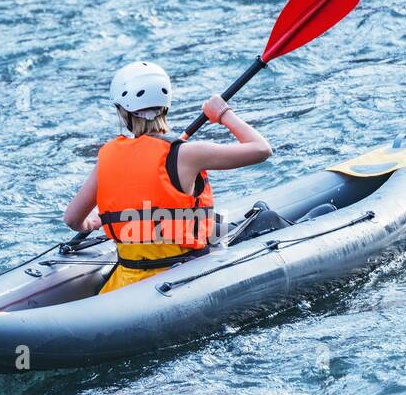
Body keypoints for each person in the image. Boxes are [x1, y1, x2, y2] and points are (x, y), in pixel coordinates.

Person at [64, 61, 273, 294]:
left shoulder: (107, 157)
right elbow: (262, 149)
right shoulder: (188, 153)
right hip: (183, 278)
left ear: (123, 112)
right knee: (264, 219)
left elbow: (73, 220)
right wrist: (223, 113)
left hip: (125, 283)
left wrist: (92, 222)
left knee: (219, 226)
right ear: (166, 107)